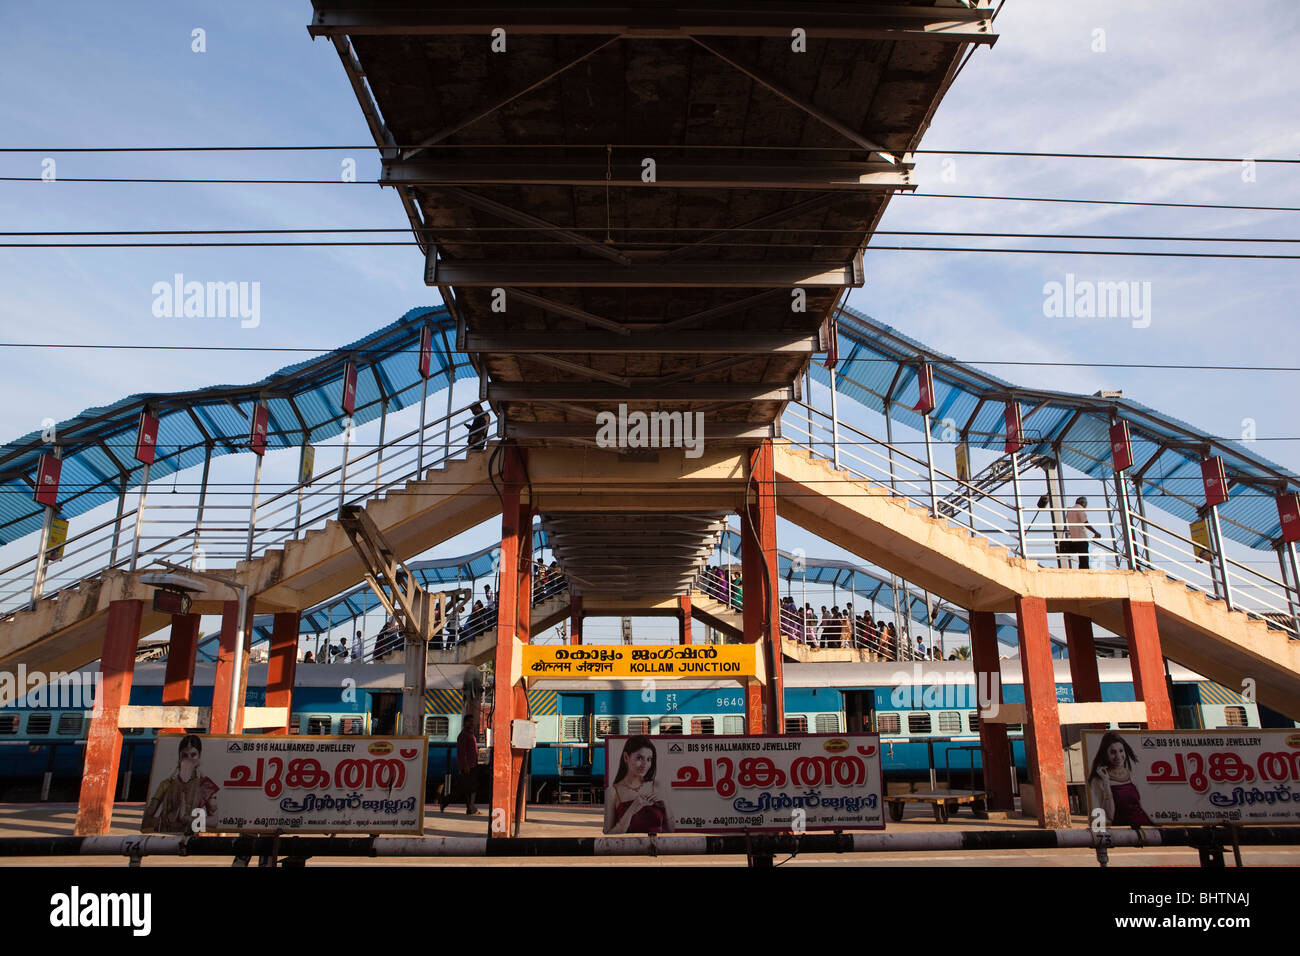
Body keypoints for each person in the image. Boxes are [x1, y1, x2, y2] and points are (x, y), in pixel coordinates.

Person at [142, 734, 219, 834]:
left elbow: (214, 820)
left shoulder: (205, 785)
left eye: (193, 755)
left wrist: (189, 819)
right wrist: (166, 821)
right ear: (179, 757)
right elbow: (147, 818)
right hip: (164, 836)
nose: (189, 759)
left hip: (189, 837)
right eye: (185, 755)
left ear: (199, 757)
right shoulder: (166, 784)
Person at [604, 735, 674, 834]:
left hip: (657, 847)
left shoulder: (657, 786)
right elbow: (609, 834)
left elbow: (671, 830)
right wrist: (632, 809)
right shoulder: (613, 792)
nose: (645, 764)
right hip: (629, 848)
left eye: (649, 759)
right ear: (626, 757)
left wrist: (665, 805)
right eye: (640, 758)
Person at [1088, 732, 1152, 827]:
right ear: (1105, 754)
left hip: (1144, 826)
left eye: (1121, 751)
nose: (1118, 756)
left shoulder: (1132, 774)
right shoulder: (1098, 780)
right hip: (1121, 831)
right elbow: (1110, 815)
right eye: (1113, 752)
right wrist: (1106, 782)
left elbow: (1143, 805)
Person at [440, 713, 481, 815]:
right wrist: (465, 765)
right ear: (465, 723)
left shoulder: (470, 734)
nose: (471, 723)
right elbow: (462, 752)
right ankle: (446, 801)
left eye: (472, 721)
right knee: (465, 789)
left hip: (472, 764)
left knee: (468, 788)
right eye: (469, 721)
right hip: (468, 766)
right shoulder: (463, 735)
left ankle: (470, 808)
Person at [1063, 496, 1102, 569]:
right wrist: (1095, 532)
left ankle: (1064, 548)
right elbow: (1085, 522)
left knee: (1080, 555)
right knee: (1084, 558)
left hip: (1074, 537)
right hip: (1081, 537)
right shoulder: (1080, 509)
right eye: (1086, 504)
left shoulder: (1070, 511)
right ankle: (1084, 570)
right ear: (1083, 503)